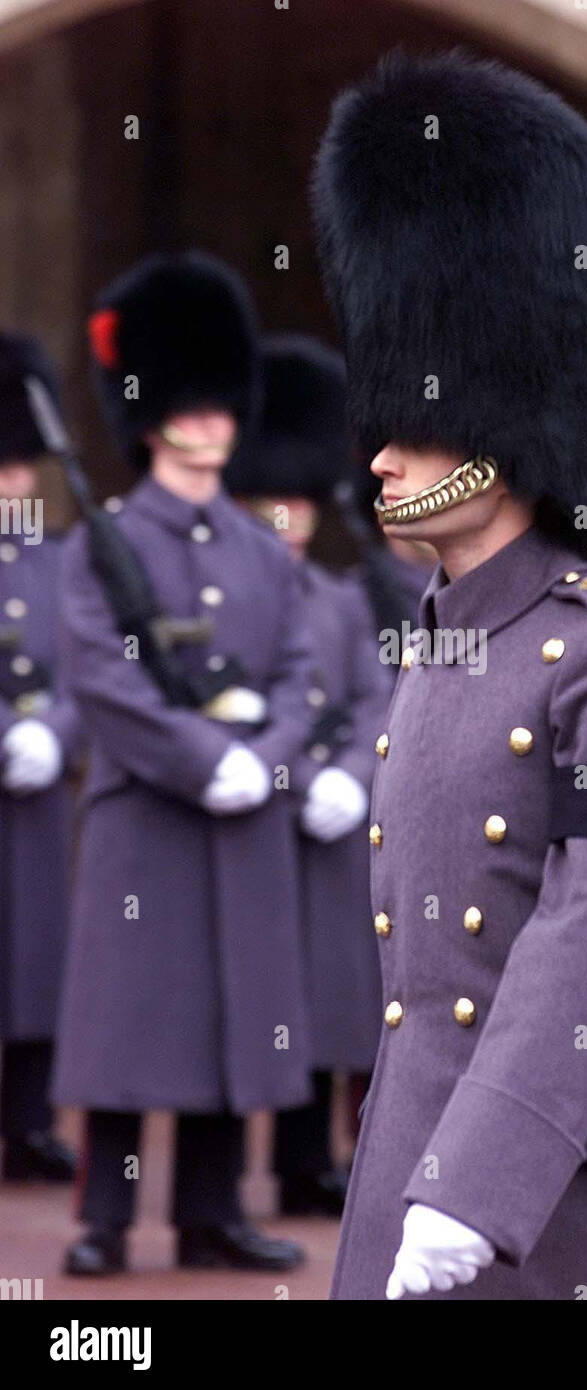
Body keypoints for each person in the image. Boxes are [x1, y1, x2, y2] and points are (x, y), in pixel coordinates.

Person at [312, 51, 587, 1300]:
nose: (384, 457)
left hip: (553, 1183)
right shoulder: (442, 633)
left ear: (505, 440)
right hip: (415, 1147)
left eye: (419, 424)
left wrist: (475, 1188)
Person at [52, 252, 317, 1275]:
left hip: (244, 812)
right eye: (190, 406)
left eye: (219, 405)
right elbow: (106, 685)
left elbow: (301, 676)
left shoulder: (259, 551)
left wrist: (270, 756)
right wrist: (205, 756)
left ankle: (211, 1215)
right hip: (147, 820)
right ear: (152, 415)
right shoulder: (106, 544)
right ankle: (103, 1222)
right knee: (127, 1035)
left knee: (229, 1024)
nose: (209, 423)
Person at [224, 334, 393, 1216]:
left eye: (299, 501)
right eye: (271, 502)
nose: (287, 518)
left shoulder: (341, 597)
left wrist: (354, 772)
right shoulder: (233, 594)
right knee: (277, 1003)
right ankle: (283, 1162)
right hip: (262, 822)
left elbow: (376, 696)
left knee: (343, 1001)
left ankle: (333, 1160)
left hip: (333, 825)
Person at [0, 333, 79, 1184]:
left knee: (34, 963)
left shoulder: (63, 560)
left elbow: (89, 670)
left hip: (42, 794)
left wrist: (53, 732)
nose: (12, 484)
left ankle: (26, 1123)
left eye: (21, 468)